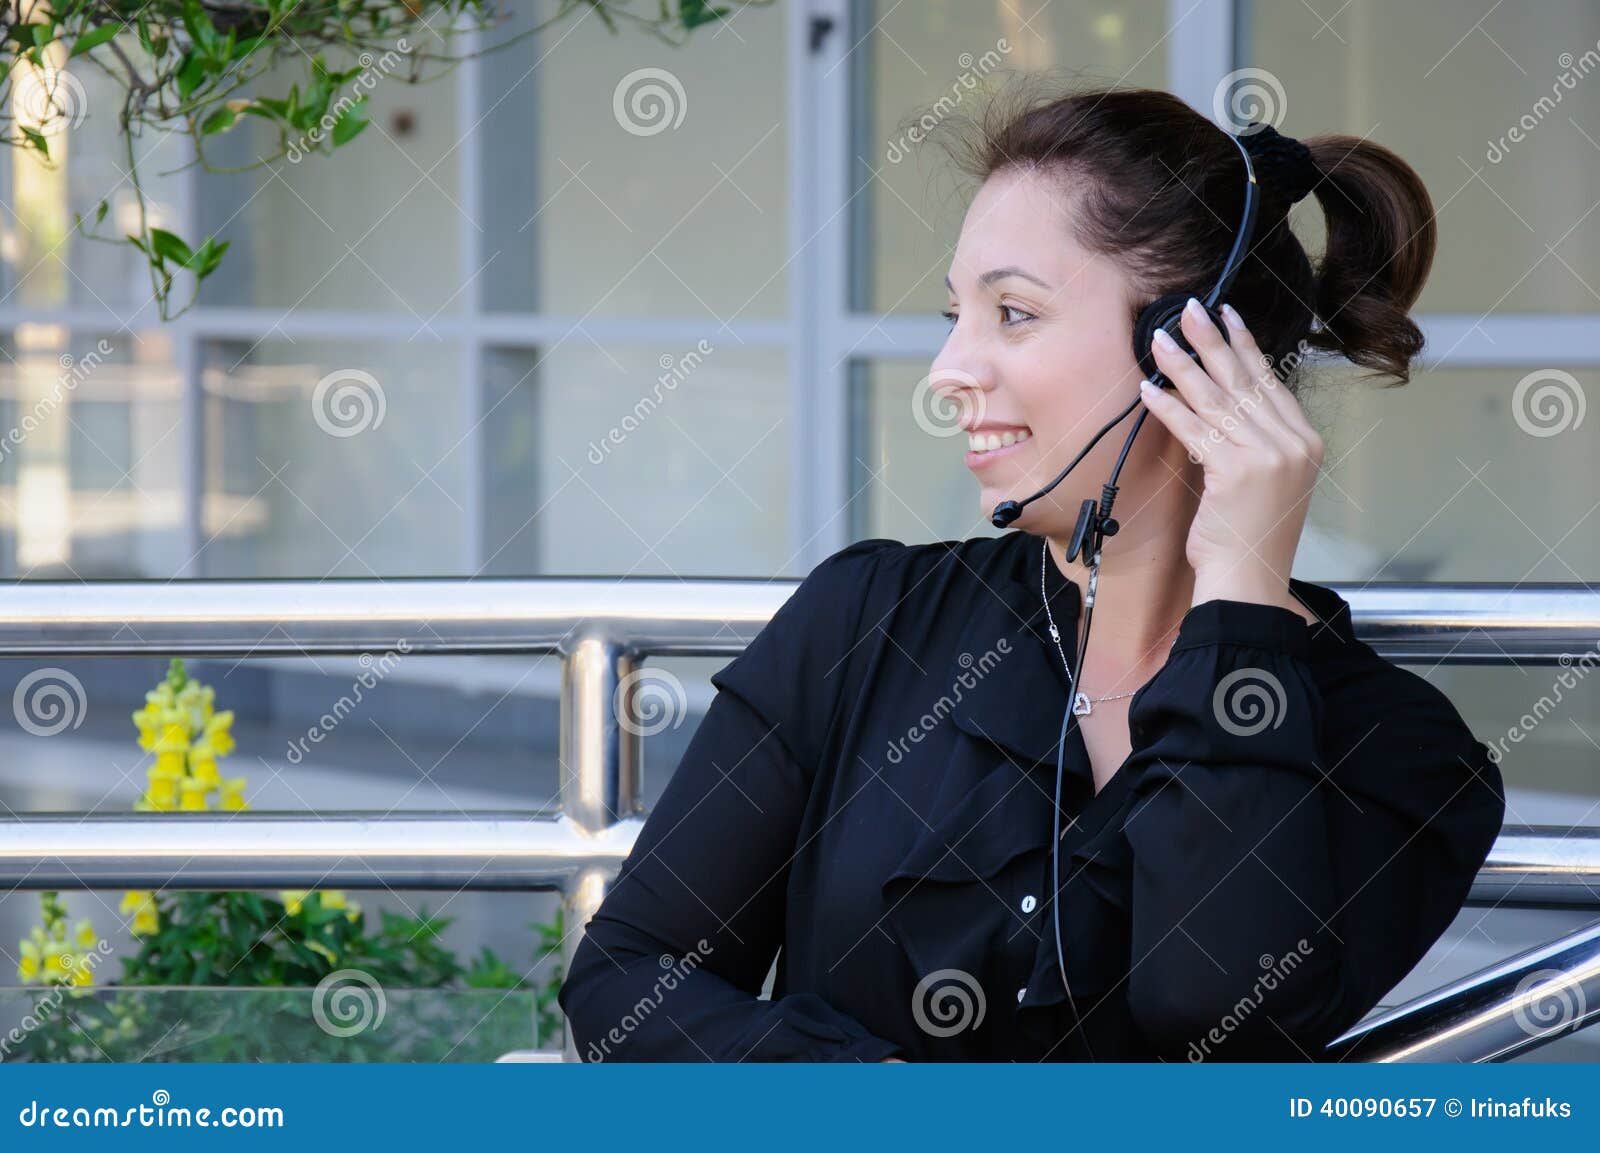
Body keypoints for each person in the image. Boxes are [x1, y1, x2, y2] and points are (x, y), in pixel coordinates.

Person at [557, 85, 1507, 1062]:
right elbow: (628, 975)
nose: (949, 368)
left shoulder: (1401, 755)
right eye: (956, 314)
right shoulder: (867, 622)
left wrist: (1236, 582)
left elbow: (1211, 999)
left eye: (1012, 312)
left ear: (1188, 341)